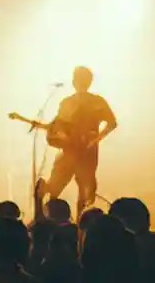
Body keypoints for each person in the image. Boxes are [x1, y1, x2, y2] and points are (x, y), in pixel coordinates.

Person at [43, 66, 118, 212]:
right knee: (63, 189)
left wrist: (96, 139)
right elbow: (58, 125)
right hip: (73, 151)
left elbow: (112, 123)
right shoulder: (72, 102)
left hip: (83, 152)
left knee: (81, 193)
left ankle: (55, 219)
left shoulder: (93, 101)